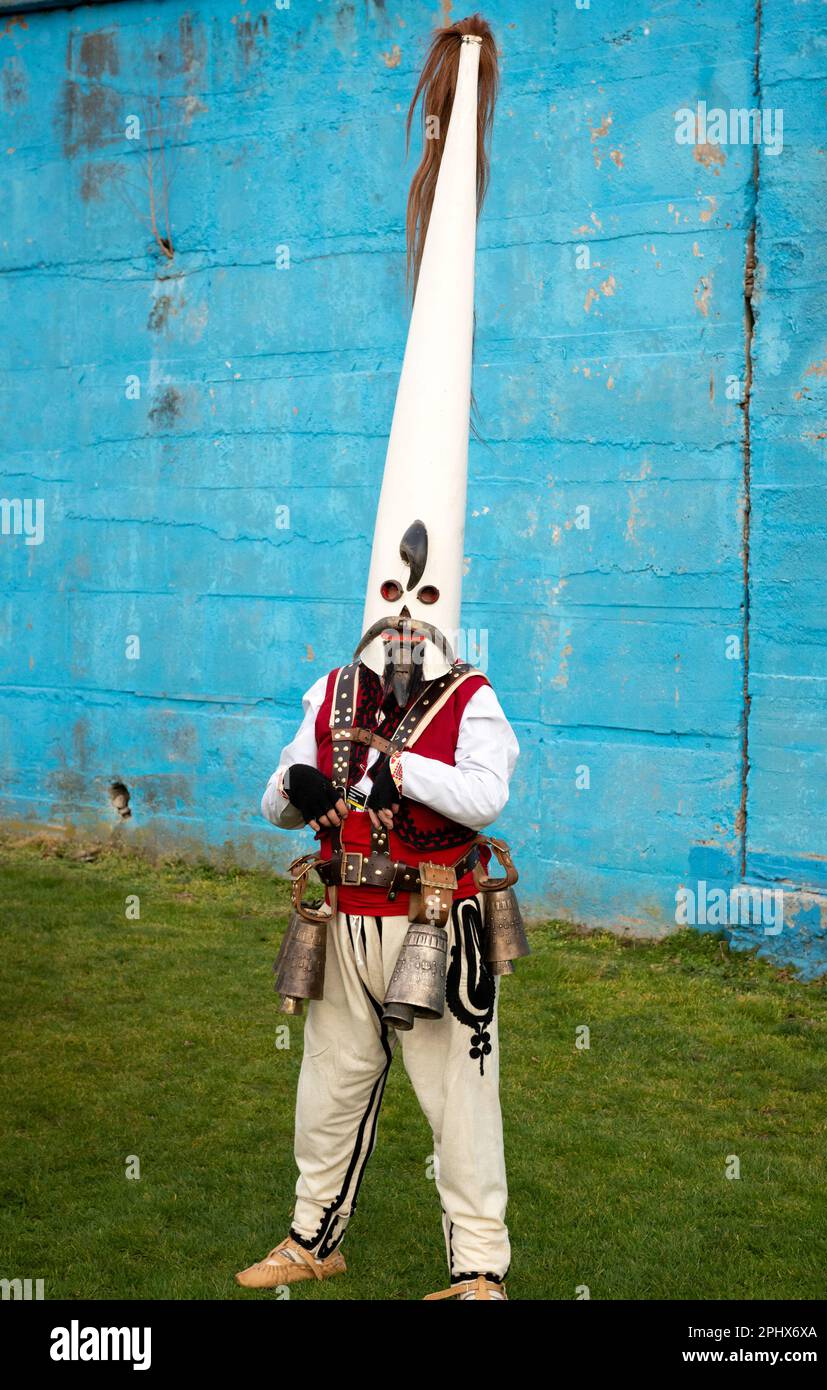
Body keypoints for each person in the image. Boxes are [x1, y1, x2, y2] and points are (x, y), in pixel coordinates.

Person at [235, 14, 520, 1302]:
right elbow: (280, 783)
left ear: (441, 621)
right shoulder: (335, 686)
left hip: (433, 921)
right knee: (327, 1088)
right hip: (342, 917)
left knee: (461, 1110)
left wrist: (405, 778)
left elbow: (491, 796)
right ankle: (316, 1235)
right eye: (389, 608)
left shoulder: (472, 697)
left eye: (418, 611)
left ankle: (479, 1272)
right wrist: (297, 791)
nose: (401, 623)